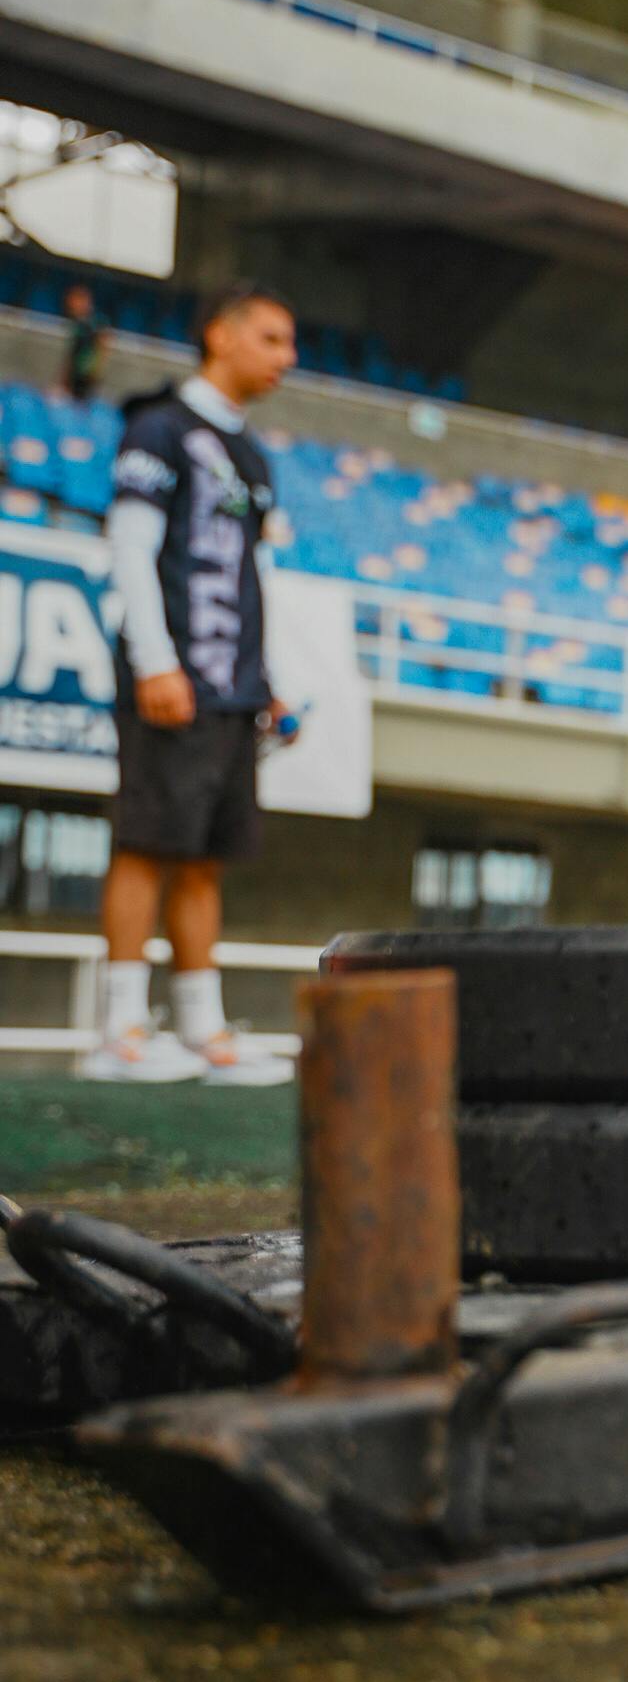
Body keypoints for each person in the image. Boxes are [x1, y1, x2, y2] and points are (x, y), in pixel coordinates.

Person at [82, 283, 298, 1086]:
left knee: (206, 855)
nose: (288, 357)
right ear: (222, 335)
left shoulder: (253, 455)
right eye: (272, 339)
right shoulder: (161, 426)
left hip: (234, 685)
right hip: (173, 673)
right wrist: (155, 660)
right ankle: (120, 1029)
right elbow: (132, 549)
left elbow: (251, 577)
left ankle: (203, 1030)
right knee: (146, 841)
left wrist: (267, 678)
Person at [60, 280, 106, 405]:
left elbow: (102, 347)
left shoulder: (94, 322)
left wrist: (94, 372)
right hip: (75, 377)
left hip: (85, 377)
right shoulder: (79, 324)